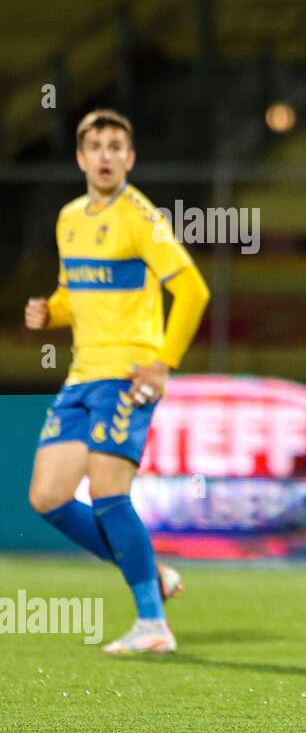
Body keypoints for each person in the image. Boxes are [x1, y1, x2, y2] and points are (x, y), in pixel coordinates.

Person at [26, 109, 210, 655]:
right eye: (95, 146)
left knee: (108, 490)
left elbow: (194, 291)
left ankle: (152, 623)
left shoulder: (141, 218)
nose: (105, 156)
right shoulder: (69, 218)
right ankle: (150, 572)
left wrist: (163, 363)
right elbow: (74, 293)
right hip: (81, 376)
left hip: (128, 376)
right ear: (81, 158)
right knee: (48, 497)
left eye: (116, 147)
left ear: (129, 158)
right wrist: (51, 312)